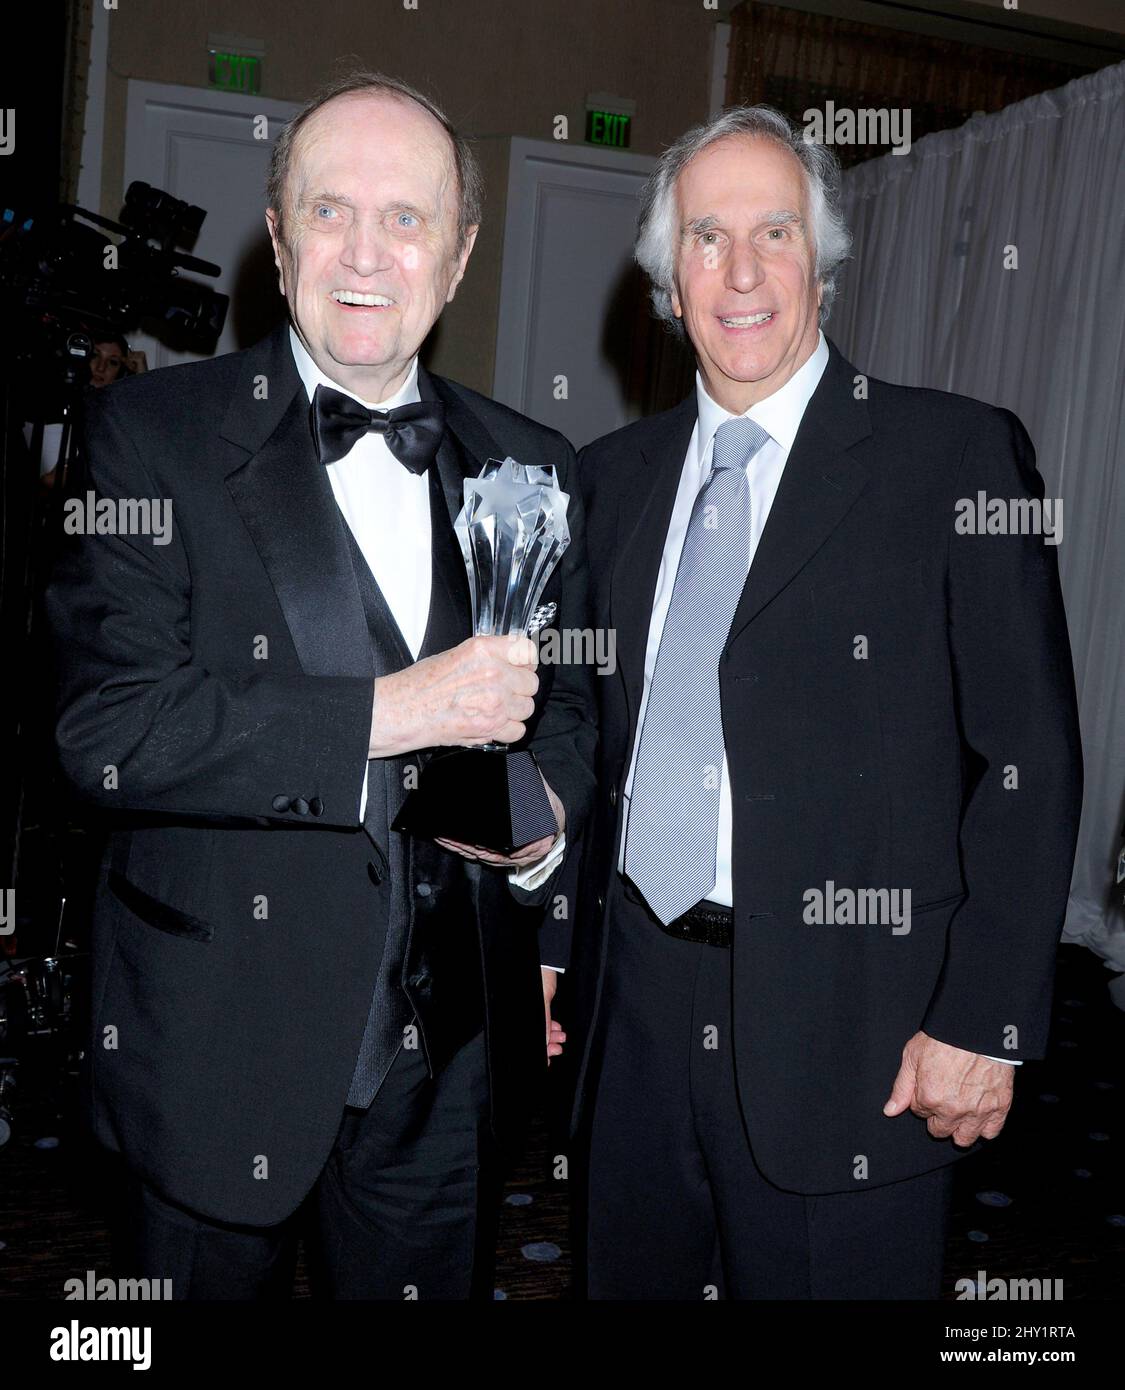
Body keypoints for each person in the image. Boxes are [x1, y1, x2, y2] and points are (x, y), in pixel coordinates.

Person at [46, 70, 595, 1300]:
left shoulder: (531, 463)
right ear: (279, 239)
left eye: (408, 219)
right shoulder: (151, 435)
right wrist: (396, 713)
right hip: (216, 1047)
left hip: (443, 1075)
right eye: (330, 210)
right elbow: (107, 729)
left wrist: (547, 850)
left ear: (456, 258)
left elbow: (565, 713)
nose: (367, 251)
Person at [568, 104, 1082, 1300]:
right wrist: (554, 950)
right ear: (665, 274)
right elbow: (588, 740)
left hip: (863, 1030)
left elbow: (1030, 758)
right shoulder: (607, 482)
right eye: (706, 237)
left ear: (823, 261)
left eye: (776, 233)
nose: (742, 272)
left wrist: (986, 1016)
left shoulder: (951, 460)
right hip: (635, 1011)